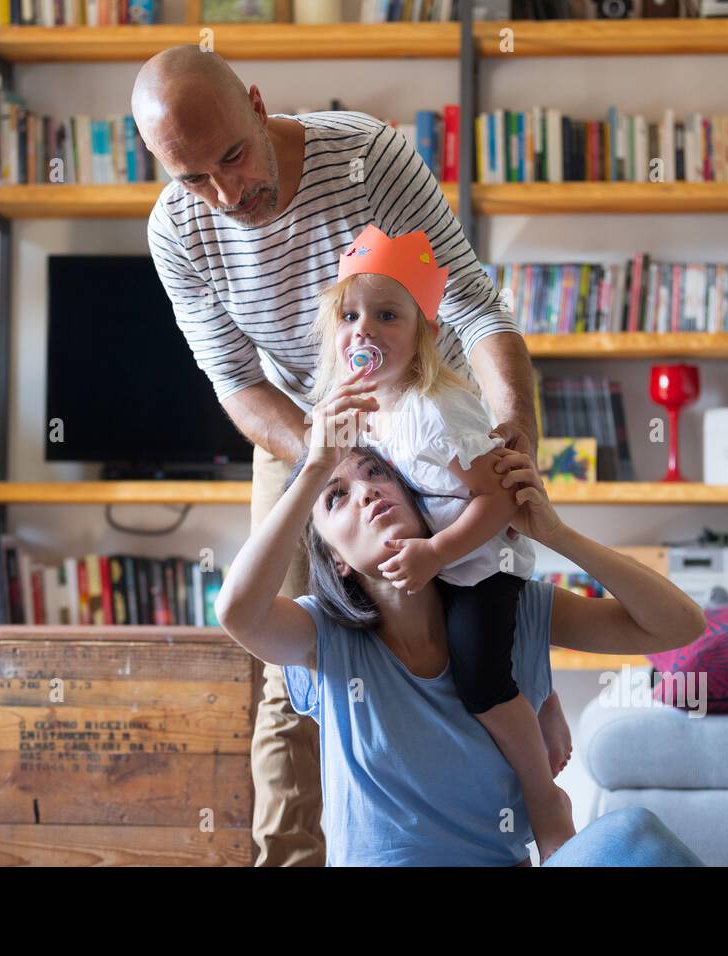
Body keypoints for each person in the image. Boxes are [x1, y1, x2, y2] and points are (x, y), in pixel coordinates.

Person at [133, 46, 541, 866]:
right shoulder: (178, 231)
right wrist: (332, 465)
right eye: (194, 179)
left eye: (234, 158)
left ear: (257, 103)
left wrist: (513, 427)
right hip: (300, 424)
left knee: (468, 616)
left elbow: (468, 296)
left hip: (425, 404)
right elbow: (237, 381)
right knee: (294, 669)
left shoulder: (367, 154)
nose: (226, 195)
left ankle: (480, 833)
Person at [212, 377, 709, 864]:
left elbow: (678, 625)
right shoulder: (323, 636)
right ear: (335, 558)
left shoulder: (514, 610)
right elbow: (238, 611)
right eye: (335, 496)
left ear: (420, 498)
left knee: (633, 835)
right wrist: (315, 466)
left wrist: (559, 535)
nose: (365, 492)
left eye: (376, 473)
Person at [307, 222, 574, 859]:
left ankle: (543, 795)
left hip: (482, 562)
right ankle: (541, 710)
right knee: (474, 654)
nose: (364, 330)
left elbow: (498, 499)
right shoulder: (380, 410)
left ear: (424, 334)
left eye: (388, 315)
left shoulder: (432, 410)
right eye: (350, 315)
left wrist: (432, 554)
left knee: (481, 678)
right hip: (451, 564)